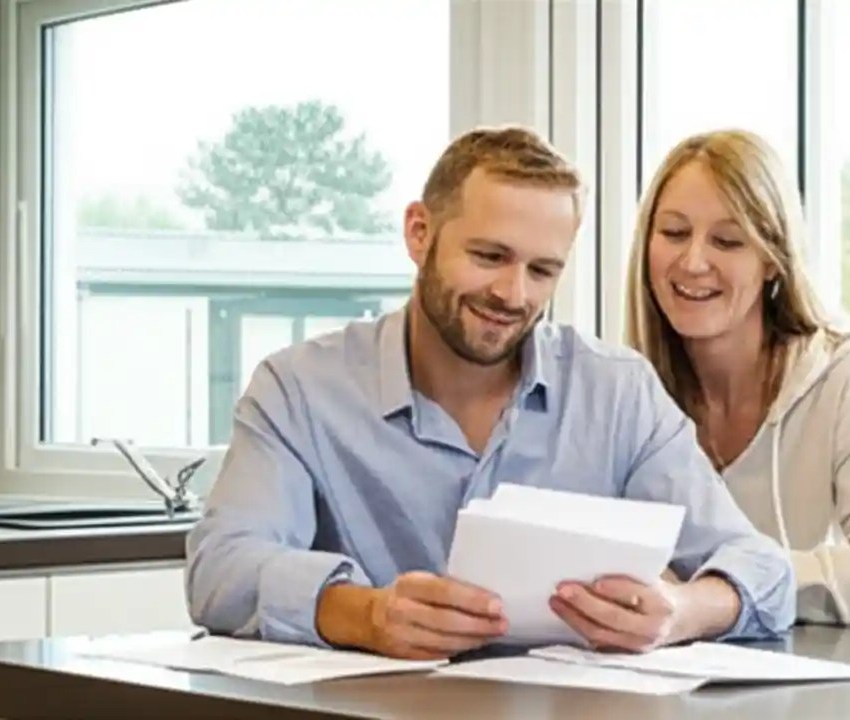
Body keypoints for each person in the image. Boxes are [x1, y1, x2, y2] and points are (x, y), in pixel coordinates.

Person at [186, 125, 795, 660]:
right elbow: (221, 568)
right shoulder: (300, 391)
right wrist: (365, 614)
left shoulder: (616, 392)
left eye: (542, 270)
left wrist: (681, 611)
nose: (513, 294)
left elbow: (762, 569)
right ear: (420, 233)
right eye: (489, 256)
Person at [625, 129, 850, 626]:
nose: (693, 261)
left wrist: (723, 597)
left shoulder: (847, 373)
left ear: (774, 260)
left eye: (728, 240)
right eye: (673, 233)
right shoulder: (624, 391)